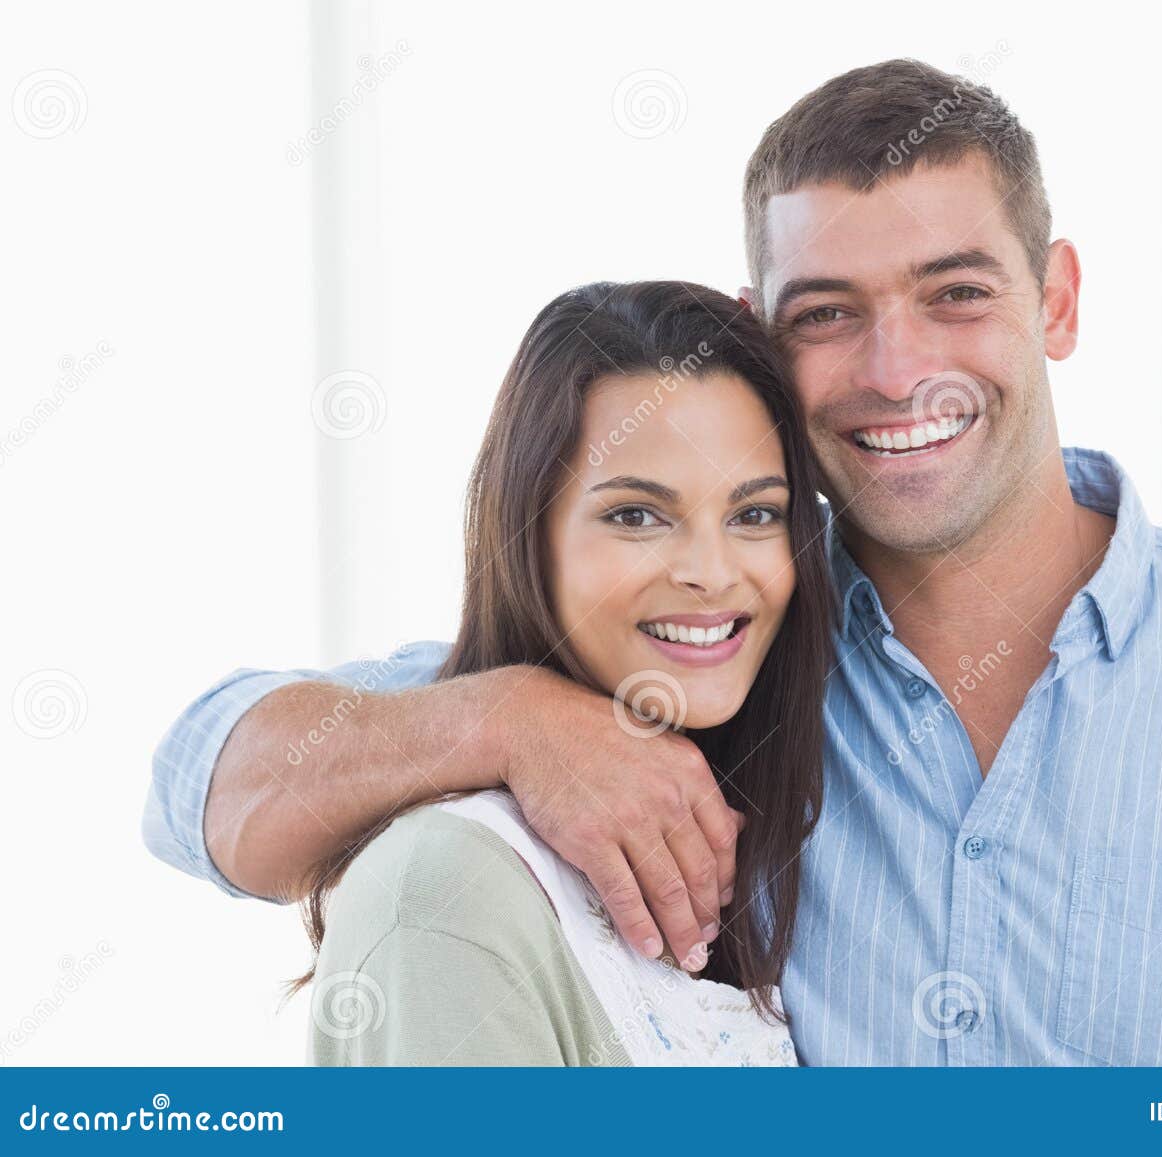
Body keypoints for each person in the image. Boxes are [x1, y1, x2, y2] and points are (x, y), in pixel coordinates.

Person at [146, 60, 1162, 1065]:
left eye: (956, 293)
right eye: (829, 312)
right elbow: (200, 784)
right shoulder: (708, 655)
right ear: (767, 332)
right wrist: (511, 718)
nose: (898, 371)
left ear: (1056, 299)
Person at [294, 281, 831, 1063]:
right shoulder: (445, 896)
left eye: (754, 513)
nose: (712, 573)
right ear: (527, 536)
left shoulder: (764, 832)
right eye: (637, 515)